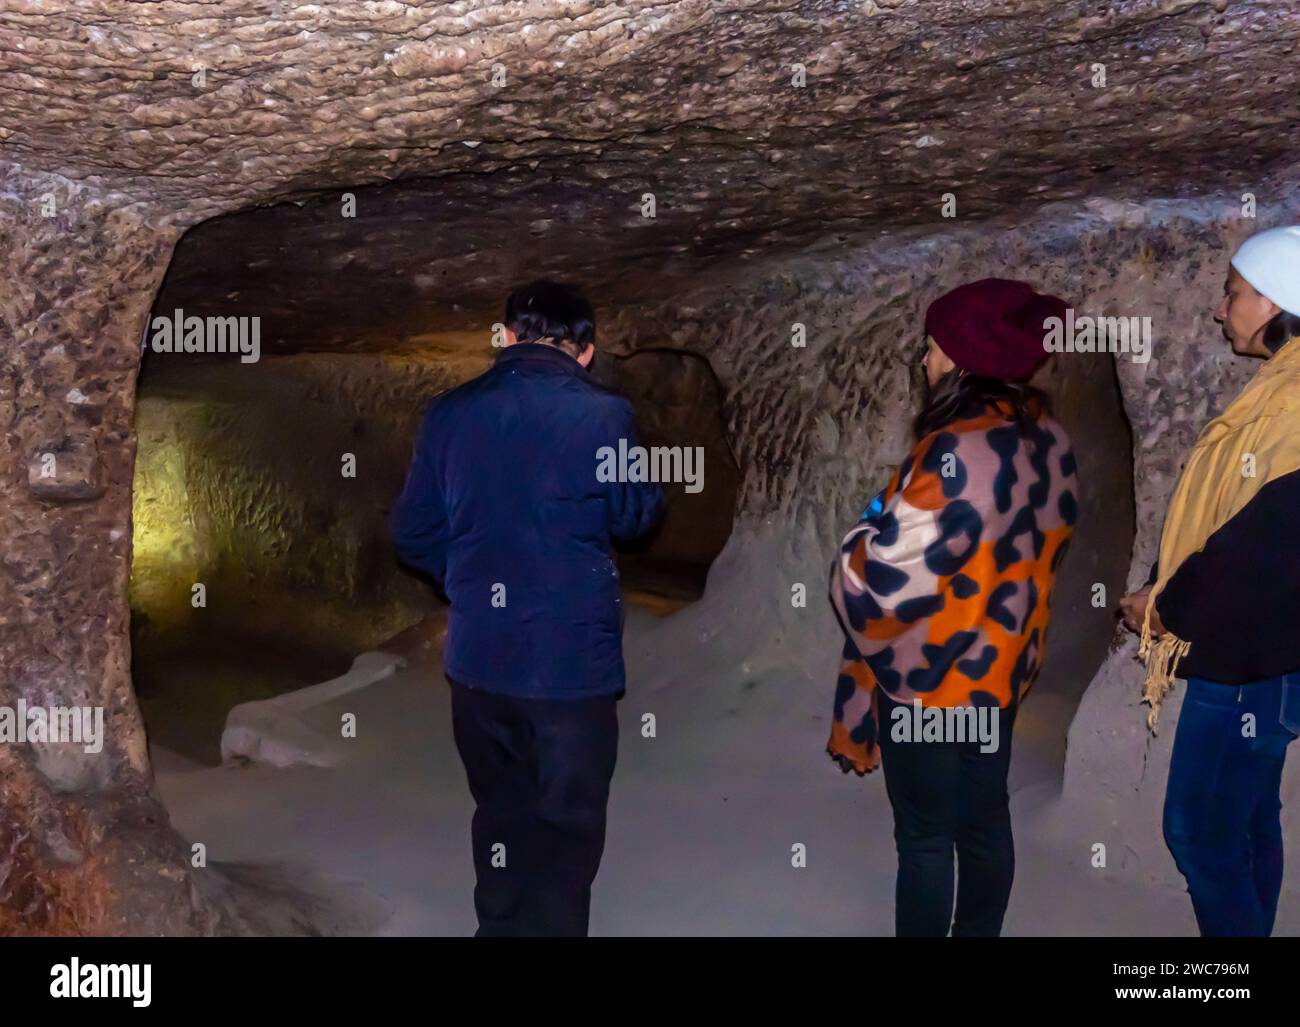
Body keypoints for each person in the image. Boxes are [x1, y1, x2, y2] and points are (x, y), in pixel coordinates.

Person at [391, 279, 665, 936]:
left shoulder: (448, 413)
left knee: (500, 811)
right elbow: (634, 518)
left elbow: (413, 531)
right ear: (587, 351)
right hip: (572, 666)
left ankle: (498, 926)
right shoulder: (603, 415)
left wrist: (466, 577)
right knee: (566, 830)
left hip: (480, 660)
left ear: (507, 335)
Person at [827, 278, 1078, 937]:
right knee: (985, 816)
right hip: (997, 674)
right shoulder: (1047, 436)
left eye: (931, 348)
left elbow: (882, 580)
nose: (924, 361)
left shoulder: (954, 448)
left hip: (932, 685)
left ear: (961, 359)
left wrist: (857, 540)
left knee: (926, 835)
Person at [1119, 225, 1300, 937]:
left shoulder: (1290, 405)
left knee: (1196, 828)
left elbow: (1261, 544)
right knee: (1250, 816)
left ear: (1275, 299)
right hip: (1273, 659)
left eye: (1232, 295)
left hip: (1248, 663)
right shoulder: (1280, 393)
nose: (1220, 310)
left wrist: (1166, 608)